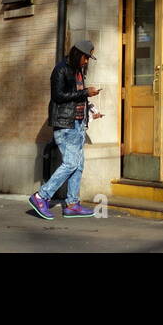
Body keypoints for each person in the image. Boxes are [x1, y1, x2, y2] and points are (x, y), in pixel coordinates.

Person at [29, 39, 104, 220]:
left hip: (77, 124)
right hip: (65, 125)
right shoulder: (60, 69)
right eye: (86, 57)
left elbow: (78, 97)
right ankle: (41, 197)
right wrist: (85, 92)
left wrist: (92, 109)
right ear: (78, 54)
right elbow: (58, 96)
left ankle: (72, 204)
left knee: (78, 165)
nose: (87, 61)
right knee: (71, 163)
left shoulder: (78, 70)